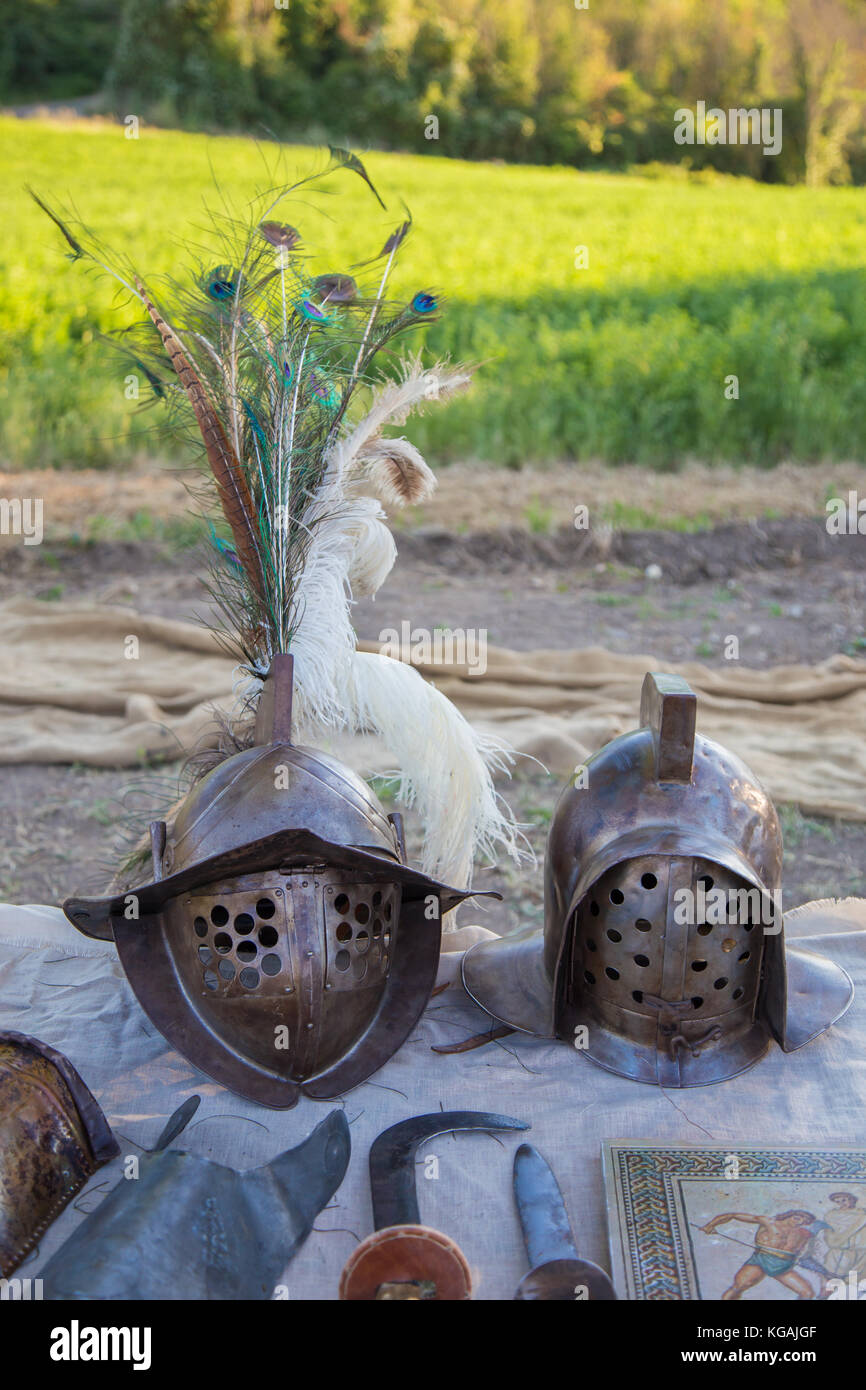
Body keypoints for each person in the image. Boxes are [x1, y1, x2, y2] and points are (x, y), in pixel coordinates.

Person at [701, 1209, 820, 1300]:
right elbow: (733, 1215)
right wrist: (710, 1225)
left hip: (783, 1265)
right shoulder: (769, 1222)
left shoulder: (801, 1233)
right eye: (797, 1218)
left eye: (804, 1222)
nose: (799, 1222)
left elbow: (802, 1251)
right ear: (789, 1215)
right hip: (761, 1260)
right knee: (739, 1286)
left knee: (807, 1293)